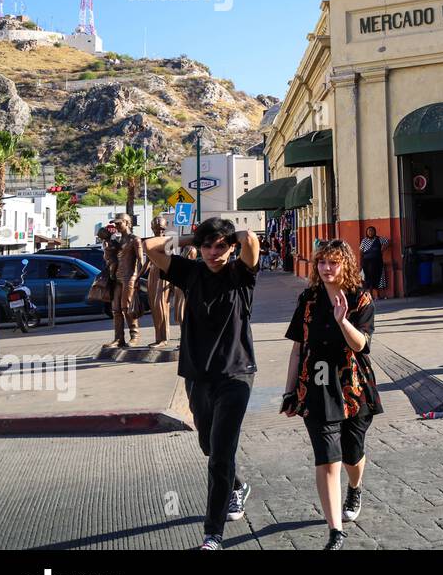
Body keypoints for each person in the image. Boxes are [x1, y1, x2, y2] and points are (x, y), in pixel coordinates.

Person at [144, 217, 260, 551]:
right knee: (209, 445)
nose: (212, 252)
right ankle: (238, 485)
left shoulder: (241, 275)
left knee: (220, 455)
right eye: (207, 246)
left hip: (236, 374)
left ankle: (213, 533)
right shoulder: (190, 271)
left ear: (230, 247)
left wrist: (229, 237)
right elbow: (150, 247)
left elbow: (251, 238)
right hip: (197, 374)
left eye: (220, 246)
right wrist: (190, 240)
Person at [282, 239, 383, 550]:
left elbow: (361, 345)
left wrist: (342, 321)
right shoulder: (308, 298)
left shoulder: (359, 297)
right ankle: (335, 531)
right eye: (322, 263)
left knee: (352, 454)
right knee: (327, 459)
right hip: (314, 385)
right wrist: (289, 392)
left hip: (353, 386)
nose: (326, 268)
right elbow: (298, 347)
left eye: (333, 263)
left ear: (346, 265)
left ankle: (355, 487)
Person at [104, 215, 144, 348]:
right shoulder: (119, 240)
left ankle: (135, 335)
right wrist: (108, 247)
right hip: (118, 277)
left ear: (127, 223)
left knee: (127, 308)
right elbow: (111, 259)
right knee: (115, 309)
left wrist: (137, 278)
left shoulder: (135, 240)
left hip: (129, 277)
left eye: (119, 224)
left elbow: (140, 261)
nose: (116, 227)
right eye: (115, 224)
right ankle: (118, 338)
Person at [146, 215, 173, 348]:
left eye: (162, 229)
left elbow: (172, 260)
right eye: (157, 229)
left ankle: (164, 338)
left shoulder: (168, 241)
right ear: (152, 228)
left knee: (161, 305)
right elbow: (147, 262)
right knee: (154, 307)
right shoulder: (150, 241)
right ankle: (158, 338)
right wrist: (137, 277)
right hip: (152, 275)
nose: (159, 231)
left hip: (164, 275)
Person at [359, 226, 386, 297]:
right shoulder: (364, 240)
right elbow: (361, 252)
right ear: (367, 233)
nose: (370, 232)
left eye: (372, 231)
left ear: (374, 232)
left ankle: (378, 295)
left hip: (377, 262)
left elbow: (388, 241)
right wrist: (360, 263)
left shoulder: (379, 239)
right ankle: (370, 295)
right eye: (369, 231)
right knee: (368, 278)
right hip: (367, 262)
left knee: (377, 278)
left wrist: (382, 249)